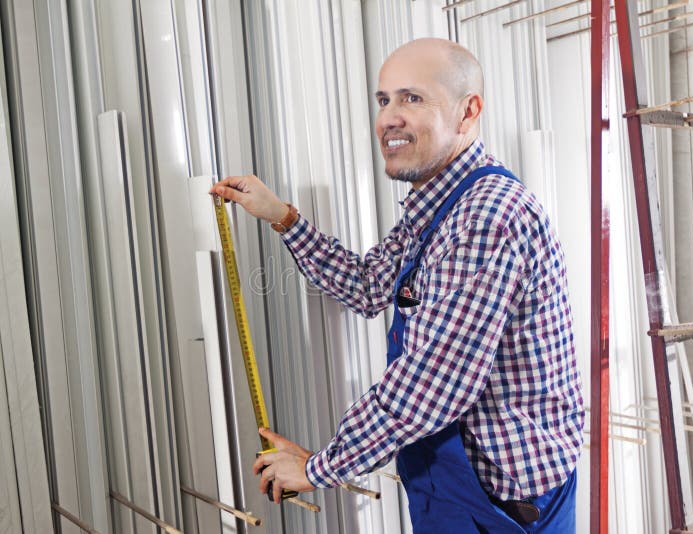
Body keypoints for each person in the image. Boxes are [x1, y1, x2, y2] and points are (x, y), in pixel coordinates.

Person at [211, 37, 584, 534]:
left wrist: (317, 467)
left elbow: (433, 385)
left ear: (467, 111)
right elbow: (368, 286)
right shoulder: (437, 206)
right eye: (383, 100)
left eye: (412, 98)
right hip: (458, 487)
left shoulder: (486, 216)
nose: (389, 117)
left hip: (501, 508)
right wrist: (283, 217)